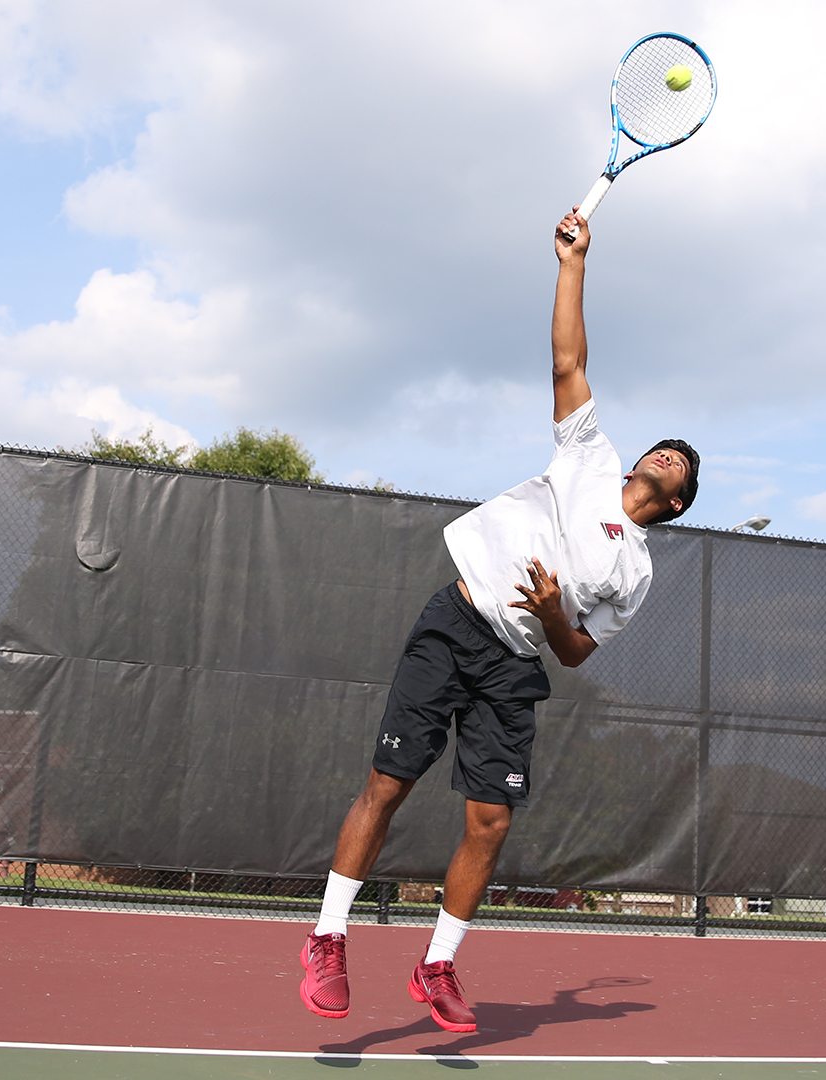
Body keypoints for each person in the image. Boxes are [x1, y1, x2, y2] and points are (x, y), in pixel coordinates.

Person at [298, 209, 700, 1034]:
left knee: (491, 818)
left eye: (679, 462)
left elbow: (579, 652)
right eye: (660, 448)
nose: (665, 454)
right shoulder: (587, 455)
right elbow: (568, 357)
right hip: (457, 623)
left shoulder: (638, 569)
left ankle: (438, 963)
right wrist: (574, 263)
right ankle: (327, 939)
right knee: (388, 785)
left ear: (680, 499)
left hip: (517, 666)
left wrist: (554, 614)